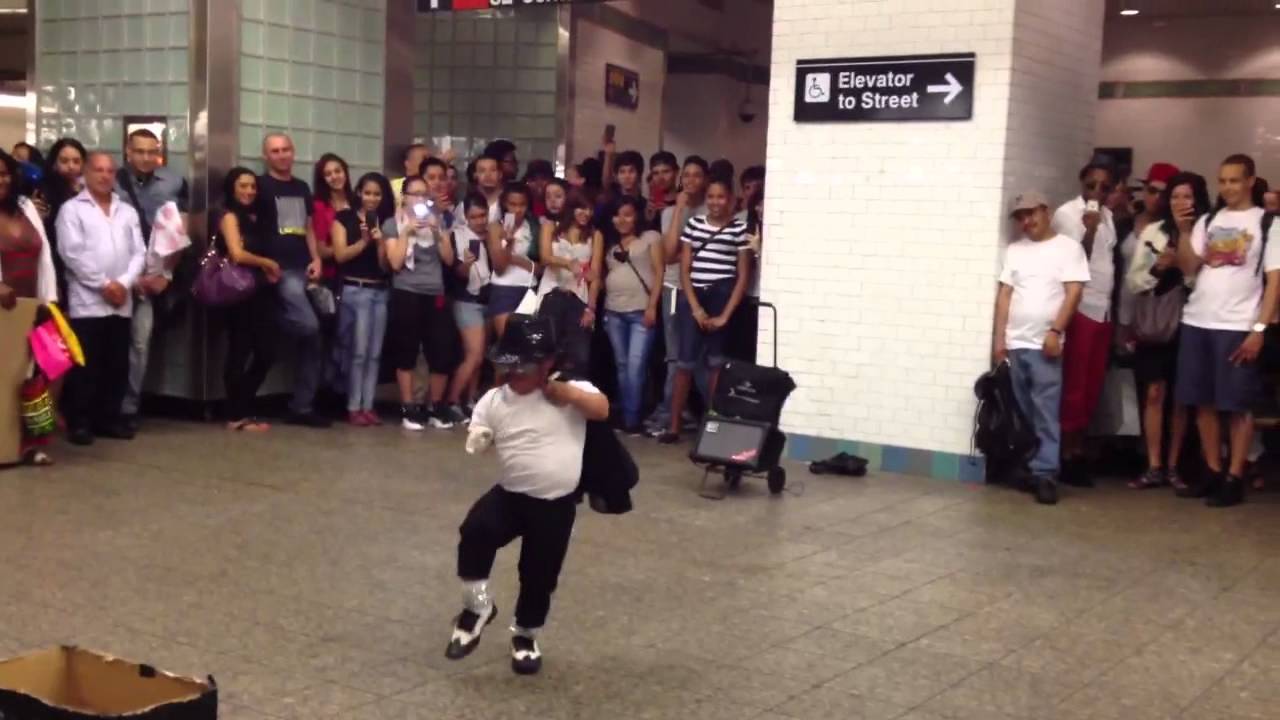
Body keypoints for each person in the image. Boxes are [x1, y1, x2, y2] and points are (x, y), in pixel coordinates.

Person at [446, 315, 609, 676]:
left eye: (525, 368)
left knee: (539, 574)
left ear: (548, 364)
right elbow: (480, 425)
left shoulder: (570, 390)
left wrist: (569, 394)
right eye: (510, 368)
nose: (516, 376)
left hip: (556, 504)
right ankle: (477, 607)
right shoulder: (494, 399)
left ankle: (526, 635)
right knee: (475, 530)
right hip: (512, 495)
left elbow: (602, 409)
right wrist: (480, 437)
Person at [1175, 154, 1280, 507]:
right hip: (1198, 319)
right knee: (1202, 402)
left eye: (1235, 180)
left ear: (1250, 181)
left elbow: (1274, 281)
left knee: (1237, 405)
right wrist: (1185, 230)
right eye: (1222, 181)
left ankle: (1235, 475)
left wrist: (1259, 328)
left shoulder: (1268, 224)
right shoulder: (1209, 219)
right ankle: (1212, 470)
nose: (1228, 187)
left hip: (1237, 324)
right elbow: (1189, 268)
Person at [994, 191, 1091, 505]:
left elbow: (1073, 292)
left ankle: (1046, 472)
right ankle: (1026, 467)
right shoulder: (1016, 250)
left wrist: (1055, 330)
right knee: (1021, 410)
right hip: (1015, 342)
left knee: (1046, 410)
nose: (1027, 221)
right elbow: (1005, 295)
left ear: (1045, 211)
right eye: (1021, 217)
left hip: (1045, 343)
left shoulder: (1069, 249)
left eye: (1031, 213)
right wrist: (999, 341)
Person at [1125, 172, 1209, 491]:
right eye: (1174, 196)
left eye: (1186, 196)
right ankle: (1154, 465)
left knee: (1181, 397)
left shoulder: (1207, 230)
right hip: (1158, 322)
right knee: (1155, 393)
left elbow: (1197, 278)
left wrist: (1182, 257)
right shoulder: (1153, 232)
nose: (1179, 202)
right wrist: (1159, 267)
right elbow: (1134, 282)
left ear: (1197, 198)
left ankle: (1175, 466)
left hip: (1194, 319)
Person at [55, 151, 145, 446]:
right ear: (86, 173)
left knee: (117, 363)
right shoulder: (72, 210)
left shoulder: (127, 211)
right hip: (88, 300)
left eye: (110, 171)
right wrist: (105, 284)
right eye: (98, 170)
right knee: (86, 364)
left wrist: (124, 283)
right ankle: (80, 421)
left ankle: (109, 418)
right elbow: (72, 254)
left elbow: (139, 253)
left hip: (122, 300)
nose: (105, 176)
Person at [659, 177, 752, 445]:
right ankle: (674, 427)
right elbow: (684, 272)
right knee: (684, 364)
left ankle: (712, 427)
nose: (715, 202)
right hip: (693, 297)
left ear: (730, 200)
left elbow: (742, 277)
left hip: (723, 294)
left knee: (716, 366)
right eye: (710, 197)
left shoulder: (739, 229)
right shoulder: (694, 225)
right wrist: (696, 309)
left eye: (720, 197)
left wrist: (725, 316)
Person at [115, 128, 190, 433]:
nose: (146, 158)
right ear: (128, 152)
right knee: (109, 345)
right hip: (116, 278)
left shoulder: (174, 183)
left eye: (151, 152)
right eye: (139, 151)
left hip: (153, 277)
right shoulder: (114, 181)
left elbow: (181, 232)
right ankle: (102, 405)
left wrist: (166, 275)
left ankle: (128, 408)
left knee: (140, 344)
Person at [1051, 161, 1119, 487]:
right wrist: (1088, 228)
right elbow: (1076, 259)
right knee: (1074, 385)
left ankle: (1078, 450)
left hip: (1102, 308)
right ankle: (1065, 454)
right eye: (1092, 185)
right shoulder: (1067, 214)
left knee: (1092, 385)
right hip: (1080, 308)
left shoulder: (1108, 216)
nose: (1097, 192)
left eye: (1104, 187)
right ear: (1082, 181)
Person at [255, 133, 329, 428]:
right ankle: (273, 319)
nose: (282, 155)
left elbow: (308, 227)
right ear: (266, 156)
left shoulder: (301, 187)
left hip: (303, 267)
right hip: (279, 270)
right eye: (275, 151)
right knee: (309, 326)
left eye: (286, 150)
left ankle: (302, 406)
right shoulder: (259, 187)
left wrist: (316, 259)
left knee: (315, 339)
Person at [384, 175, 461, 430]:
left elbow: (449, 260)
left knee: (441, 350)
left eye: (423, 194)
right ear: (404, 197)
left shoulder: (437, 221)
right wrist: (407, 231)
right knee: (406, 350)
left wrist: (438, 232)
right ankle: (409, 407)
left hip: (435, 291)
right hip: (406, 290)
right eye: (414, 193)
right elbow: (394, 263)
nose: (419, 198)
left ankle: (436, 406)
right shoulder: (392, 224)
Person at [0, 149, 58, 465]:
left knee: (40, 373)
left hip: (32, 304)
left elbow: (45, 252)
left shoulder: (26, 207)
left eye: (6, 173)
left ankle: (33, 442)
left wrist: (48, 300)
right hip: (1, 308)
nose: (2, 180)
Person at [646, 155, 708, 437]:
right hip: (674, 288)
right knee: (675, 358)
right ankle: (670, 414)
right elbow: (669, 253)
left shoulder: (713, 208)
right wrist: (679, 210)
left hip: (703, 288)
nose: (691, 180)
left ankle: (688, 413)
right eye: (688, 175)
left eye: (697, 175)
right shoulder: (670, 212)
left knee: (702, 358)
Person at [218, 168, 279, 433]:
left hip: (261, 291)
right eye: (243, 186)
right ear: (232, 188)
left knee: (266, 351)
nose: (249, 191)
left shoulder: (257, 216)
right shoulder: (229, 216)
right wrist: (267, 263)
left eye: (253, 186)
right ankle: (236, 415)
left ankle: (243, 405)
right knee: (239, 351)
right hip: (238, 291)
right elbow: (237, 254)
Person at [331, 173, 393, 426]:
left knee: (375, 353)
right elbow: (340, 255)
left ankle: (369, 405)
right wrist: (364, 241)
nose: (371, 198)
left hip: (380, 291)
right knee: (357, 352)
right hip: (354, 291)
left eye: (377, 194)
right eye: (367, 193)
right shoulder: (343, 218)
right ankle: (353, 406)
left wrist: (380, 244)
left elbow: (386, 267)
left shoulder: (386, 223)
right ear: (358, 193)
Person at [603, 197, 663, 433]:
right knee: (621, 365)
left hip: (641, 311)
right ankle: (626, 415)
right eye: (617, 215)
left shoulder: (650, 238)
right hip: (613, 311)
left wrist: (652, 306)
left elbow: (659, 273)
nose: (622, 220)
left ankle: (632, 419)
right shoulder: (610, 244)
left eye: (627, 214)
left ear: (636, 216)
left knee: (636, 366)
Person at [536, 191, 603, 377]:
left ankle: (572, 400)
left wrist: (591, 308)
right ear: (571, 208)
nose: (586, 213)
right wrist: (568, 263)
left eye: (589, 209)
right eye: (581, 208)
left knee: (580, 357)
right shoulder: (551, 227)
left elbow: (595, 275)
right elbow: (545, 257)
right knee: (546, 353)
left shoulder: (595, 235)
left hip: (578, 298)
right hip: (552, 294)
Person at [445, 192, 493, 423]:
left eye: (483, 215)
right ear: (465, 217)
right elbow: (457, 273)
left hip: (488, 301)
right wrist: (466, 263)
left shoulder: (493, 236)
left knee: (479, 356)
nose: (480, 221)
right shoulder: (456, 236)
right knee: (473, 355)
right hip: (466, 300)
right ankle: (452, 401)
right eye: (474, 217)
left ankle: (469, 400)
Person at [485, 183, 539, 343]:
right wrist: (508, 244)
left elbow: (540, 268)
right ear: (504, 205)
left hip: (529, 289)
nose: (517, 209)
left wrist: (517, 260)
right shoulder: (496, 228)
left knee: (528, 348)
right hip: (504, 289)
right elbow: (499, 267)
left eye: (522, 204)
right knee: (509, 344)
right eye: (513, 204)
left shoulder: (534, 227)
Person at [35, 137, 87, 300]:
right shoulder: (44, 191)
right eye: (64, 161)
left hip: (87, 264)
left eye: (76, 161)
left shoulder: (91, 188)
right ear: (54, 163)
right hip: (56, 261)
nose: (71, 166)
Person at [474, 153, 504, 223]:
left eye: (493, 170)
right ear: (475, 175)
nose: (488, 175)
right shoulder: (464, 206)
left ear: (500, 174)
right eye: (482, 171)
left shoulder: (510, 203)